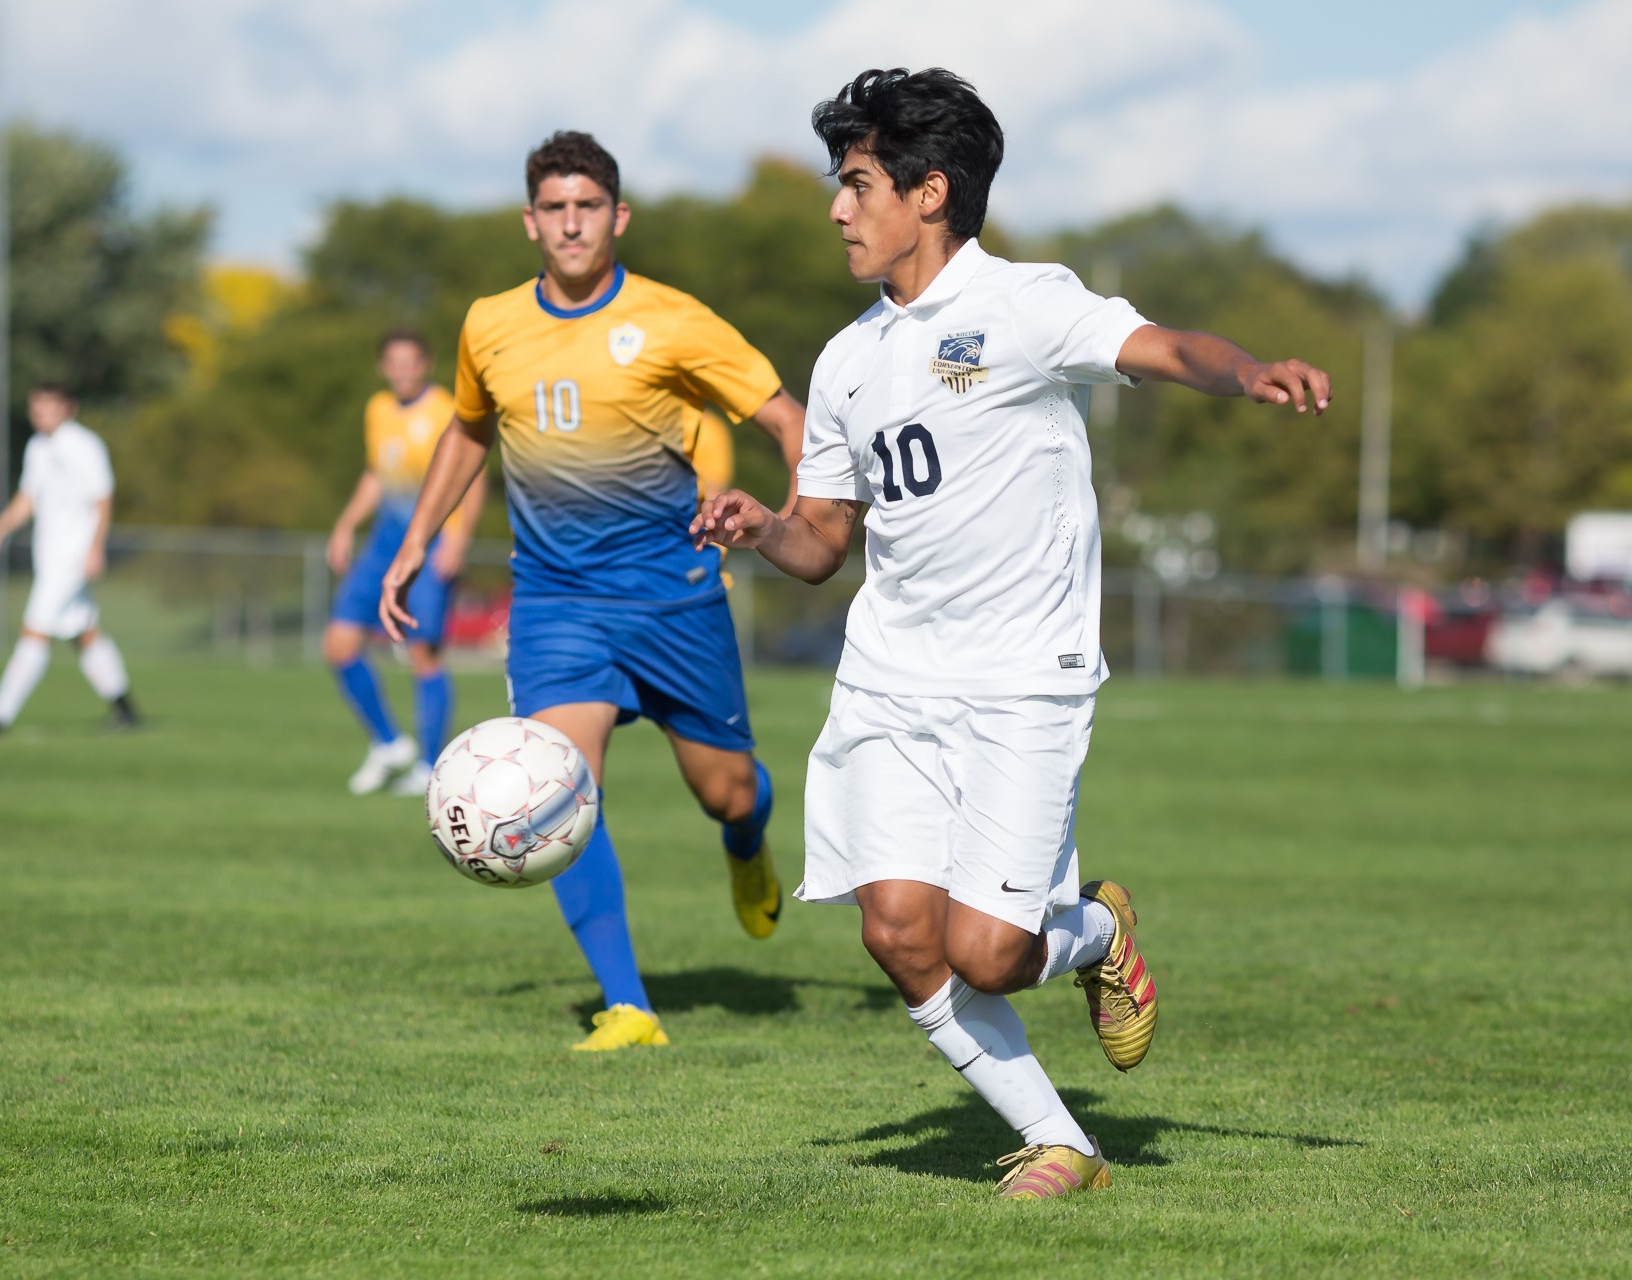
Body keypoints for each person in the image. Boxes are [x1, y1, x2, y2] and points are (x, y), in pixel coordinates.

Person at [692, 68, 1332, 1199]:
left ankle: (1094, 934)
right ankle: (1062, 1143)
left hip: (1024, 679)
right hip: (890, 678)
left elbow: (1168, 347)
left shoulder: (1028, 303)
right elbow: (824, 539)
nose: (838, 209)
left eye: (857, 184)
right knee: (898, 934)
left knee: (988, 953)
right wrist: (761, 529)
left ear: (930, 191)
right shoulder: (845, 359)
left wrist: (1249, 375)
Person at [380, 131, 807, 1051]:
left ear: (619, 217)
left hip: (673, 599)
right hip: (555, 602)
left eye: (588, 207)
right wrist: (416, 540)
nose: (571, 223)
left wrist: (804, 520)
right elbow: (467, 431)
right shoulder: (490, 323)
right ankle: (629, 1007)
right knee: (558, 792)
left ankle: (746, 844)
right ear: (529, 222)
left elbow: (785, 417)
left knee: (729, 792)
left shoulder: (673, 319)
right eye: (555, 208)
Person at [324, 330, 486, 796]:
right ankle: (389, 742)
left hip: (430, 543)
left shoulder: (445, 409)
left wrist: (457, 540)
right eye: (393, 361)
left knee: (423, 654)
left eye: (410, 361)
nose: (402, 370)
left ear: (426, 364)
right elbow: (377, 474)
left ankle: (429, 766)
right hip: (383, 543)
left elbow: (472, 476)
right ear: (383, 367)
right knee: (338, 645)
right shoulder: (377, 409)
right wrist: (345, 524)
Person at [0, 383, 138, 733]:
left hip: (73, 558)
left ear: (68, 408)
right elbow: (27, 499)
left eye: (49, 408)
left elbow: (103, 499)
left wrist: (95, 548)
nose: (41, 415)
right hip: (49, 558)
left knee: (34, 629)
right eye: (36, 409)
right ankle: (126, 711)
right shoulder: (37, 447)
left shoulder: (85, 445)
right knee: (83, 632)